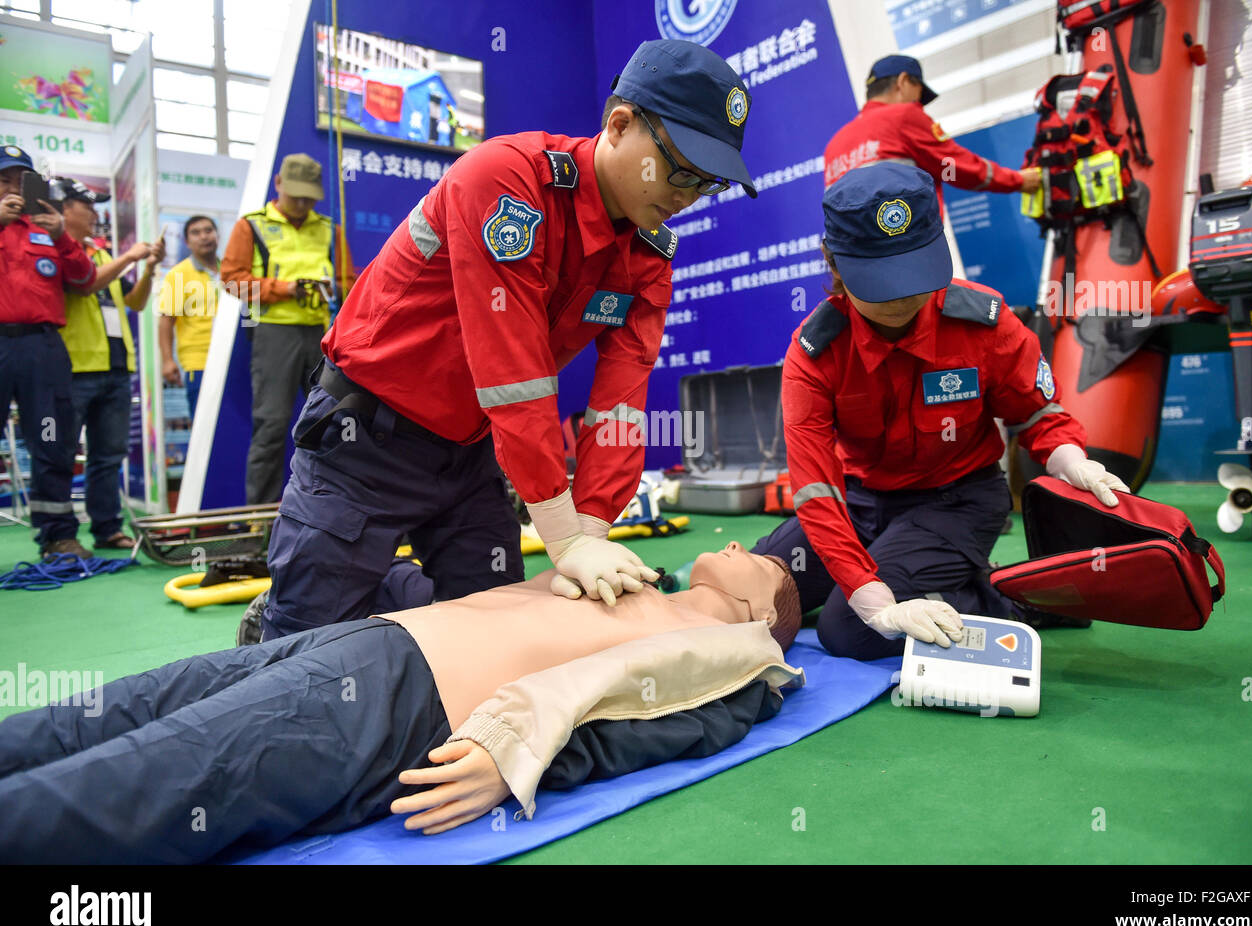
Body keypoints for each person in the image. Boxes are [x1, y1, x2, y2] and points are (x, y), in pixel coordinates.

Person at [254, 39, 757, 643]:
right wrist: (563, 538)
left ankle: (383, 585)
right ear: (619, 125)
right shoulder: (507, 181)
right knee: (304, 649)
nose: (685, 196)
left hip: (470, 455)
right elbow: (512, 372)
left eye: (706, 184)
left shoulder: (649, 255)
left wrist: (592, 534)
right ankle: (291, 612)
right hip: (365, 439)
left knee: (495, 635)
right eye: (678, 169)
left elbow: (621, 403)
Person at [0, 544, 802, 864]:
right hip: (377, 641)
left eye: (764, 563)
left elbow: (648, 727)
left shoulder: (746, 659)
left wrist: (511, 750)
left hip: (406, 704)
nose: (739, 547)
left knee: (143, 777)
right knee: (118, 708)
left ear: (767, 613)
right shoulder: (643, 574)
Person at [752, 164, 1129, 661]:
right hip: (861, 502)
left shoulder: (983, 323)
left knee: (849, 630)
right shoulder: (815, 354)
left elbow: (1036, 417)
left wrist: (1072, 460)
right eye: (878, 279)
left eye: (912, 273)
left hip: (957, 501)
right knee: (758, 594)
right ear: (834, 264)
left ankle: (1015, 597)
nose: (900, 297)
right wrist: (873, 596)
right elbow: (818, 492)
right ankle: (930, 576)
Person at [220, 153, 355, 507]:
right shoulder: (251, 226)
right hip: (274, 334)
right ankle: (260, 517)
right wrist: (285, 288)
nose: (302, 203)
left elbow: (348, 282)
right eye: (296, 195)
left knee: (335, 421)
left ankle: (335, 508)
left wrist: (331, 288)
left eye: (309, 197)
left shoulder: (329, 229)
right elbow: (232, 282)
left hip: (323, 337)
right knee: (271, 424)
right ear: (278, 183)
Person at [57, 178, 163, 550]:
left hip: (117, 367)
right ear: (64, 209)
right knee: (61, 452)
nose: (94, 213)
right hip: (75, 367)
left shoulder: (102, 255)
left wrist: (148, 268)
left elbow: (134, 304)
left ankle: (106, 528)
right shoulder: (59, 251)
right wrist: (131, 257)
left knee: (108, 455)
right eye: (86, 205)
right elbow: (84, 285)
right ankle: (60, 535)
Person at [0, 147, 96, 559]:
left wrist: (60, 234)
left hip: (43, 347)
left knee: (51, 438)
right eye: (5, 180)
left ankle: (57, 534)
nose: (14, 188)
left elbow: (85, 278)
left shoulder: (47, 229)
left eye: (21, 180)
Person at [823, 53, 1042, 203]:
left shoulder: (834, 144)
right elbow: (955, 167)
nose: (919, 104)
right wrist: (1018, 181)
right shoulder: (903, 116)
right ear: (903, 81)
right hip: (905, 251)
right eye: (919, 95)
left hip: (852, 264)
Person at [158, 215, 222, 419]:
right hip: (199, 362)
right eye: (196, 232)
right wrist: (168, 360)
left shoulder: (232, 271)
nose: (204, 236)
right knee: (203, 430)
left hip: (233, 360)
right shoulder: (178, 274)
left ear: (217, 236)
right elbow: (166, 321)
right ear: (187, 242)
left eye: (208, 230)